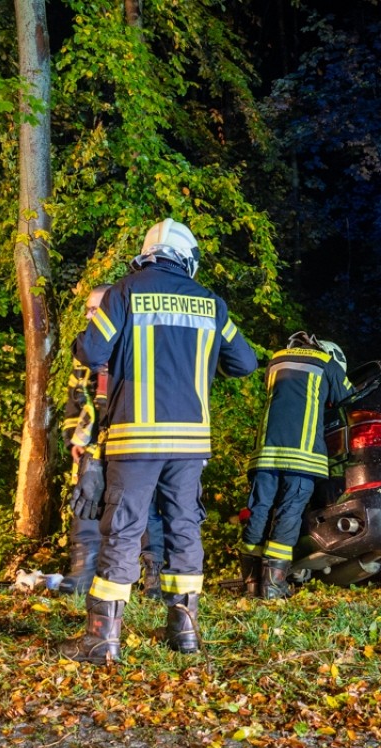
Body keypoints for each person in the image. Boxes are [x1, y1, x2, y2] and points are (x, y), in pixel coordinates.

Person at [59, 218, 257, 664]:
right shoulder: (210, 303)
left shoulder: (124, 292)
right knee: (184, 527)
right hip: (190, 443)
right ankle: (184, 632)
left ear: (146, 254)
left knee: (123, 530)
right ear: (187, 259)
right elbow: (244, 363)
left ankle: (102, 639)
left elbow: (91, 352)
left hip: (135, 439)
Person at [239, 333, 352, 598]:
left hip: (266, 454)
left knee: (259, 510)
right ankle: (273, 586)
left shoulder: (276, 361)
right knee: (289, 512)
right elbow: (348, 397)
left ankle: (251, 584)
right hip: (302, 455)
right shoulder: (327, 363)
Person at [59, 339, 164, 598]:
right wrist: (74, 438)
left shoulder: (135, 338)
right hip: (95, 439)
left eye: (93, 314)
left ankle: (153, 577)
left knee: (144, 506)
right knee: (87, 499)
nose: (89, 318)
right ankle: (84, 570)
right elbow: (75, 397)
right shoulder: (86, 347)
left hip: (133, 436)